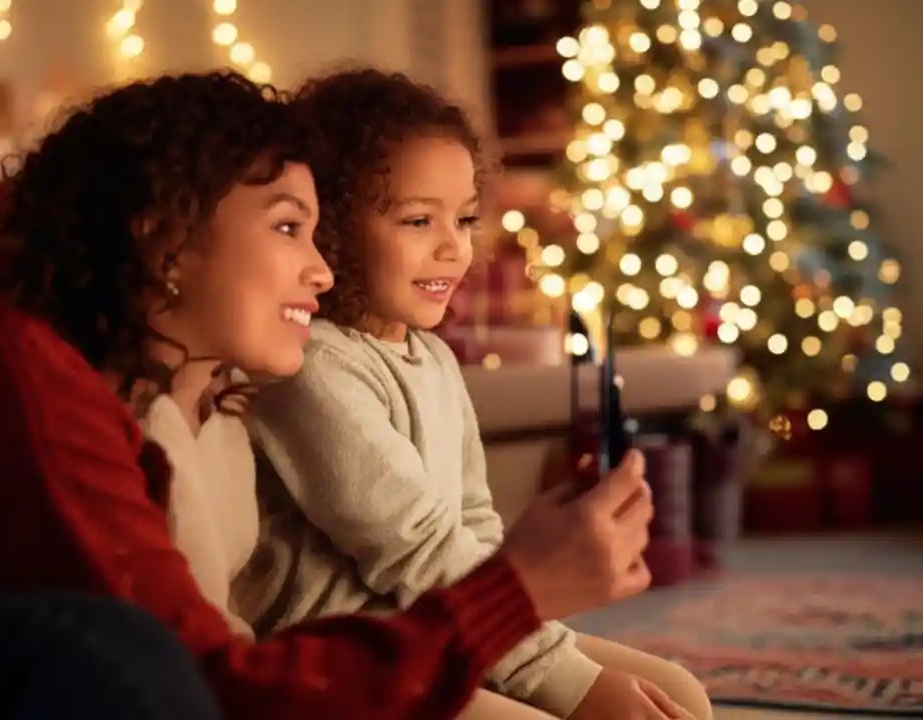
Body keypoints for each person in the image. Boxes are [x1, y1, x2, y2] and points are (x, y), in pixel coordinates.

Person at [0, 71, 655, 720]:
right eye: (290, 227)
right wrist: (515, 591)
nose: (324, 266)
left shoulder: (165, 398)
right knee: (128, 661)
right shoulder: (17, 375)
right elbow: (206, 688)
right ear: (165, 239)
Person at [238, 68, 712, 720]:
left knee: (683, 697)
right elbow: (420, 552)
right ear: (334, 224)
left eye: (463, 219)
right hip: (354, 655)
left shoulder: (432, 359)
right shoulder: (309, 368)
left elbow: (476, 524)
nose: (453, 248)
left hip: (453, 625)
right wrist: (565, 682)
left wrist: (532, 642)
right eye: (416, 221)